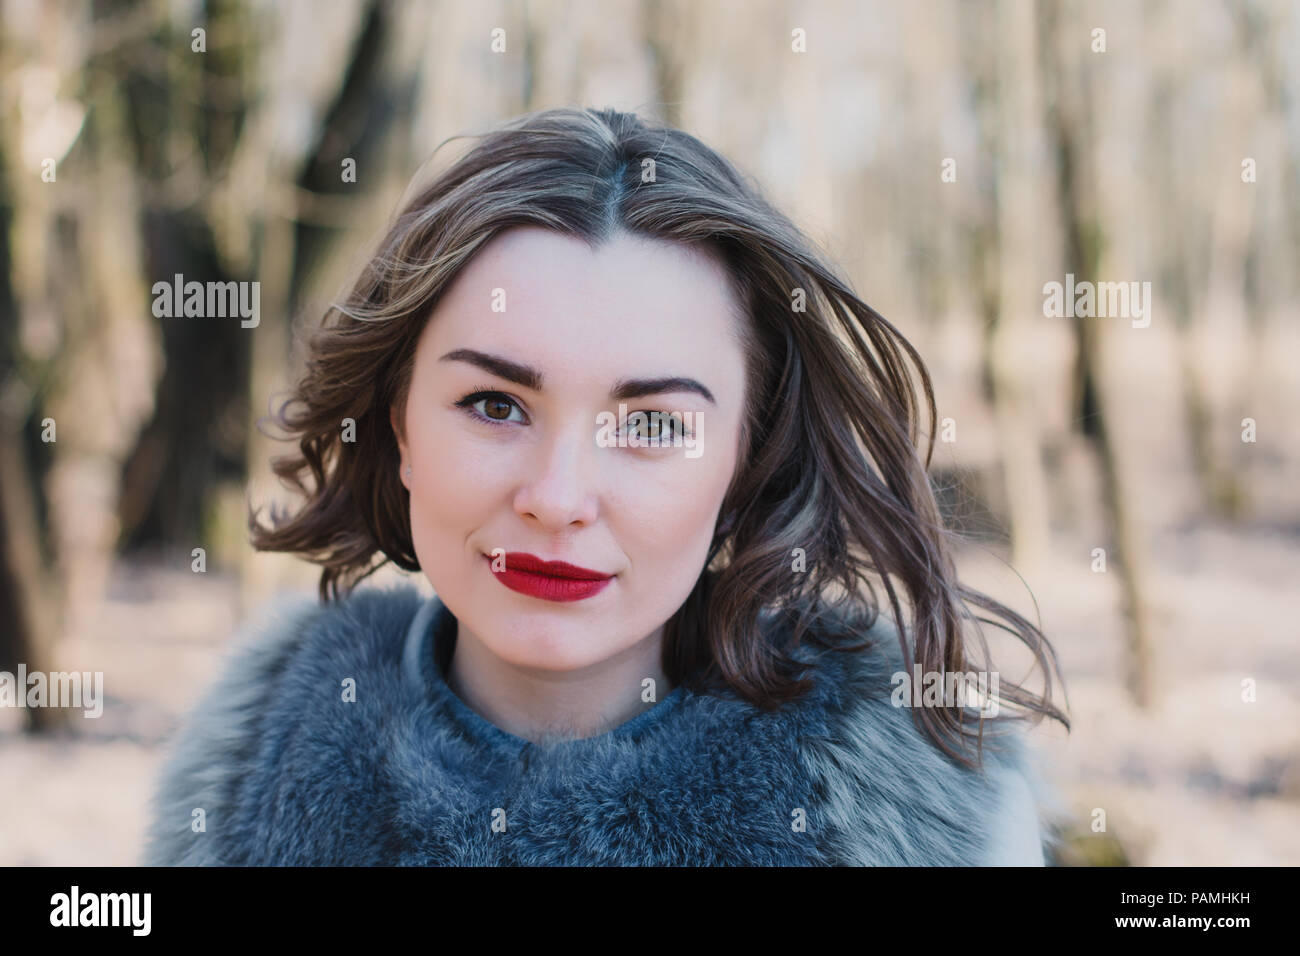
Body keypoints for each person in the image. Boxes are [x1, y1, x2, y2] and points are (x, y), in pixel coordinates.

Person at [143, 106, 1069, 866]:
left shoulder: (933, 831)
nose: (557, 496)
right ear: (400, 430)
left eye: (654, 424)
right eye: (496, 405)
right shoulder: (237, 790)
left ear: (744, 468)